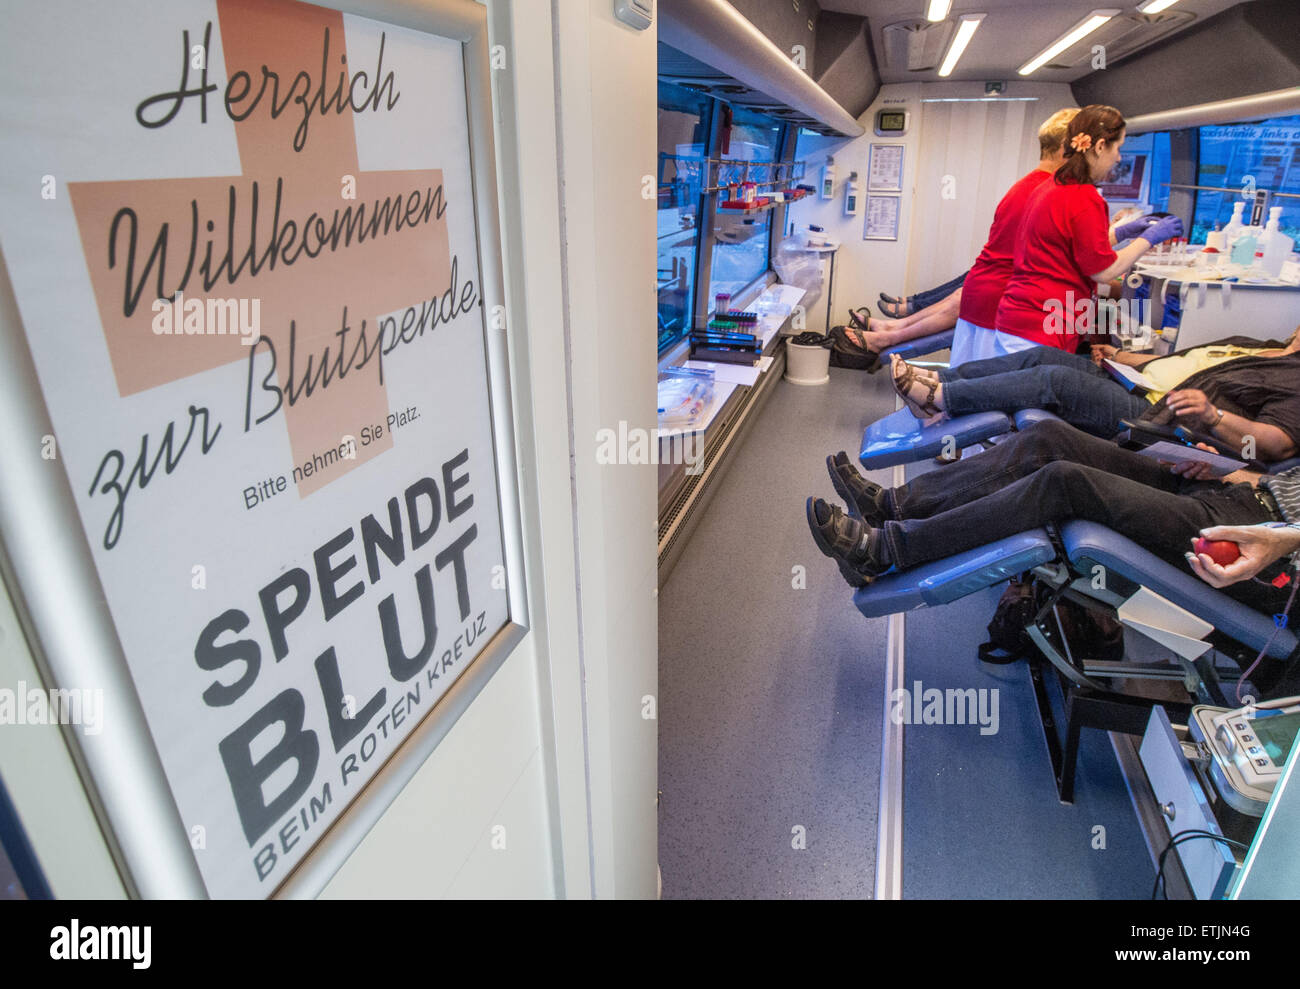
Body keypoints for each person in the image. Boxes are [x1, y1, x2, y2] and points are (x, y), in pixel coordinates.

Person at [807, 419, 1298, 622]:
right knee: (1049, 438)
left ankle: (885, 553)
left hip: (1262, 545)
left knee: (1065, 482)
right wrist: (1237, 469)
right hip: (1238, 491)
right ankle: (891, 505)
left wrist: (1287, 539)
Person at [889, 329, 1300, 465]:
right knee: (1041, 354)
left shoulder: (1294, 379)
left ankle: (940, 398)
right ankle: (943, 378)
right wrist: (1119, 355)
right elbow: (1181, 358)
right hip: (1137, 378)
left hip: (1159, 414)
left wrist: (1212, 416)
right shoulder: (1255, 344)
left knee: (1054, 380)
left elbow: (1275, 444)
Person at [994, 105, 1183, 353]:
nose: (1118, 158)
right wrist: (1149, 238)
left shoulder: (1051, 187)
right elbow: (1104, 271)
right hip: (1043, 324)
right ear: (1100, 146)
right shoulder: (1084, 198)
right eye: (1118, 148)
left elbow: (1072, 248)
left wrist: (1123, 232)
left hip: (1022, 316)